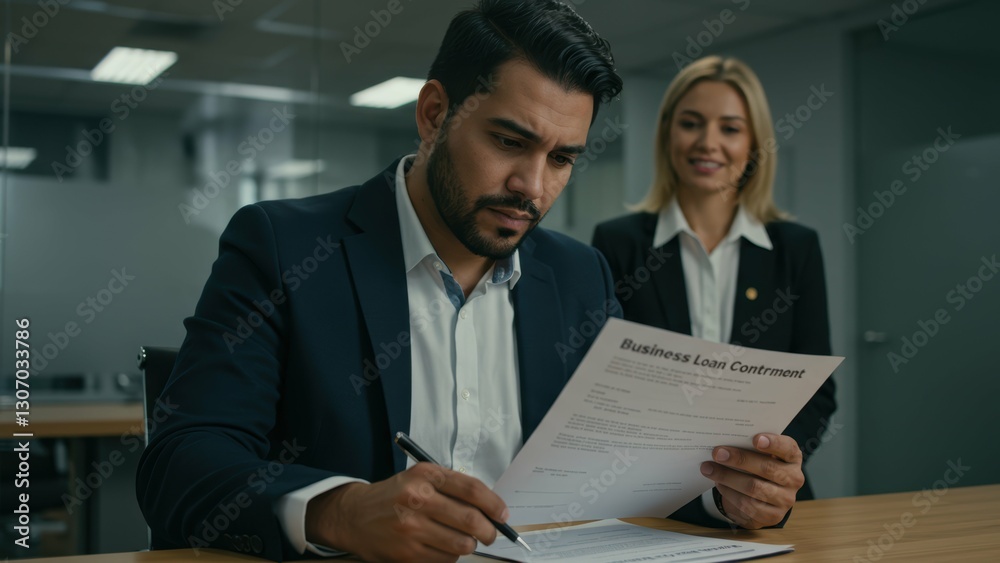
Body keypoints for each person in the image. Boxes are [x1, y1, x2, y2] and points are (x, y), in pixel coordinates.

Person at [137, 7, 804, 561]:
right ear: (434, 113)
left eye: (562, 157)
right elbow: (181, 462)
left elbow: (616, 473)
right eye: (511, 142)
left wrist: (728, 491)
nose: (533, 187)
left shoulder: (579, 275)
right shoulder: (285, 247)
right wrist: (341, 511)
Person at [592, 55, 837, 527]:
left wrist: (768, 473)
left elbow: (816, 390)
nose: (708, 143)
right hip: (645, 503)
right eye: (691, 123)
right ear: (667, 134)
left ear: (754, 144)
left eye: (730, 128)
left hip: (764, 506)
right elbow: (604, 384)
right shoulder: (618, 243)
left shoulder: (796, 249)